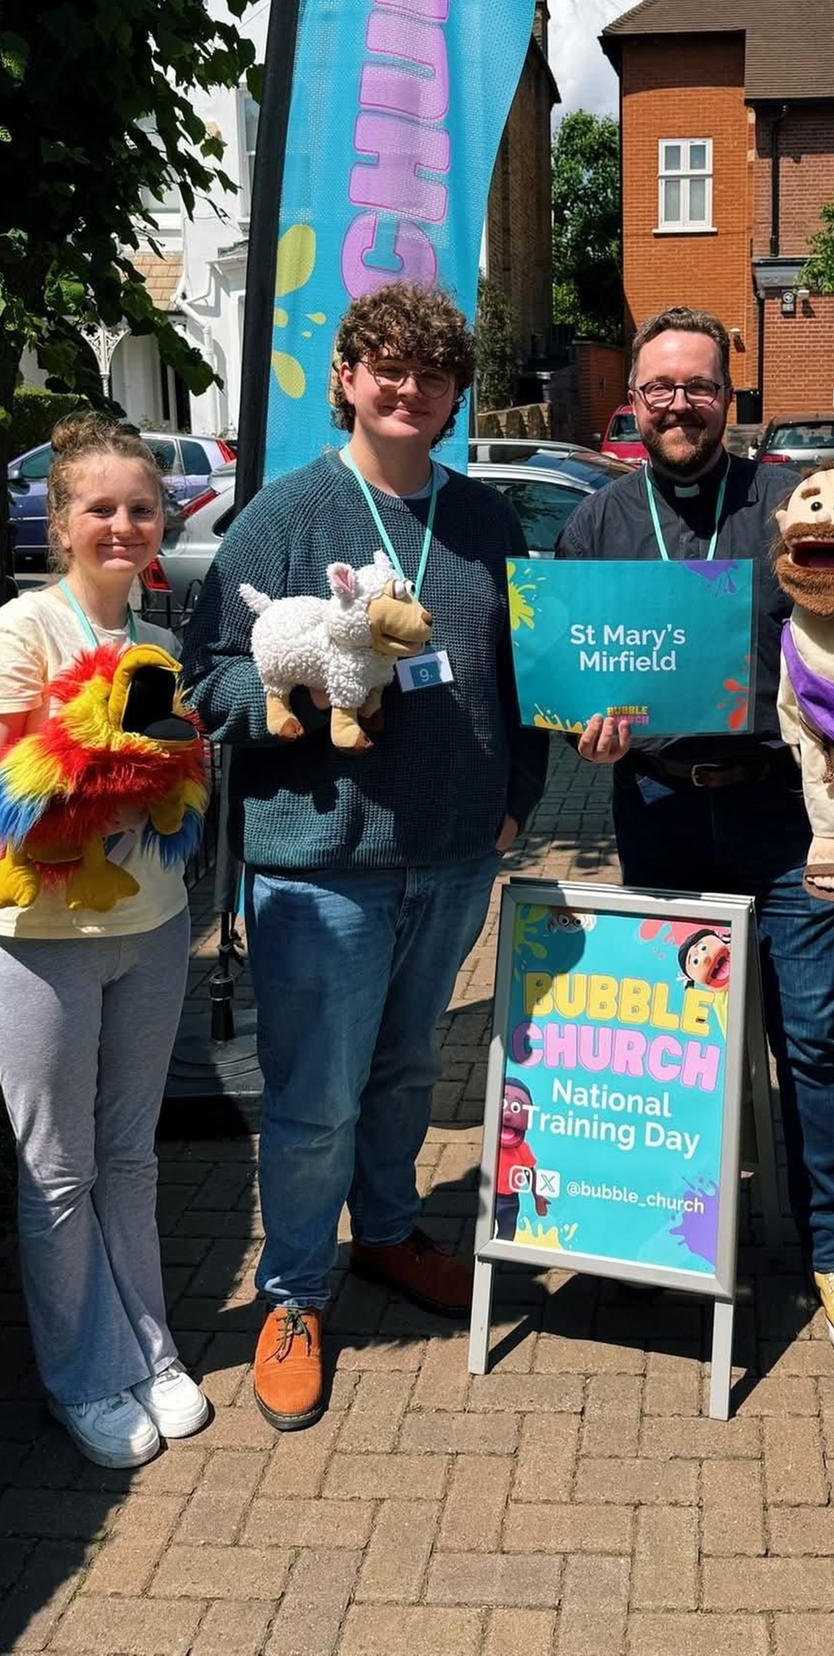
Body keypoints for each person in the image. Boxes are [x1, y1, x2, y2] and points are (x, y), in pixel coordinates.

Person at [182, 281, 547, 1431]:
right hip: (321, 862)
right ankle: (291, 1294)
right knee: (313, 1100)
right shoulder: (283, 515)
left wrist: (514, 809)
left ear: (451, 397)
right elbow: (210, 676)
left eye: (432, 375)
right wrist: (289, 691)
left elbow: (524, 683)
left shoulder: (486, 521)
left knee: (403, 1074)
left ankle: (385, 1232)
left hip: (451, 856)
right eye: (387, 367)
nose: (408, 388)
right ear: (346, 376)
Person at [558, 306, 834, 1368]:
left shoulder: (785, 508)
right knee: (672, 1041)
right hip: (653, 808)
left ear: (729, 403)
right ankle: (667, 1234)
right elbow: (573, 676)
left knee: (814, 1038)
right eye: (658, 386)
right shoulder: (598, 521)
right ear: (634, 401)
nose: (677, 403)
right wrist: (586, 729)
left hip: (783, 815)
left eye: (696, 386)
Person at [0, 415, 209, 1470]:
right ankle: (81, 1376)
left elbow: (169, 777)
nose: (122, 524)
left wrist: (174, 778)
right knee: (56, 1171)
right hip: (41, 941)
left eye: (140, 508)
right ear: (61, 521)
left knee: (129, 1156)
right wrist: (77, 772)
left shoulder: (156, 639)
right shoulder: (18, 634)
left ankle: (146, 1347)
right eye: (99, 507)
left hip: (152, 929)